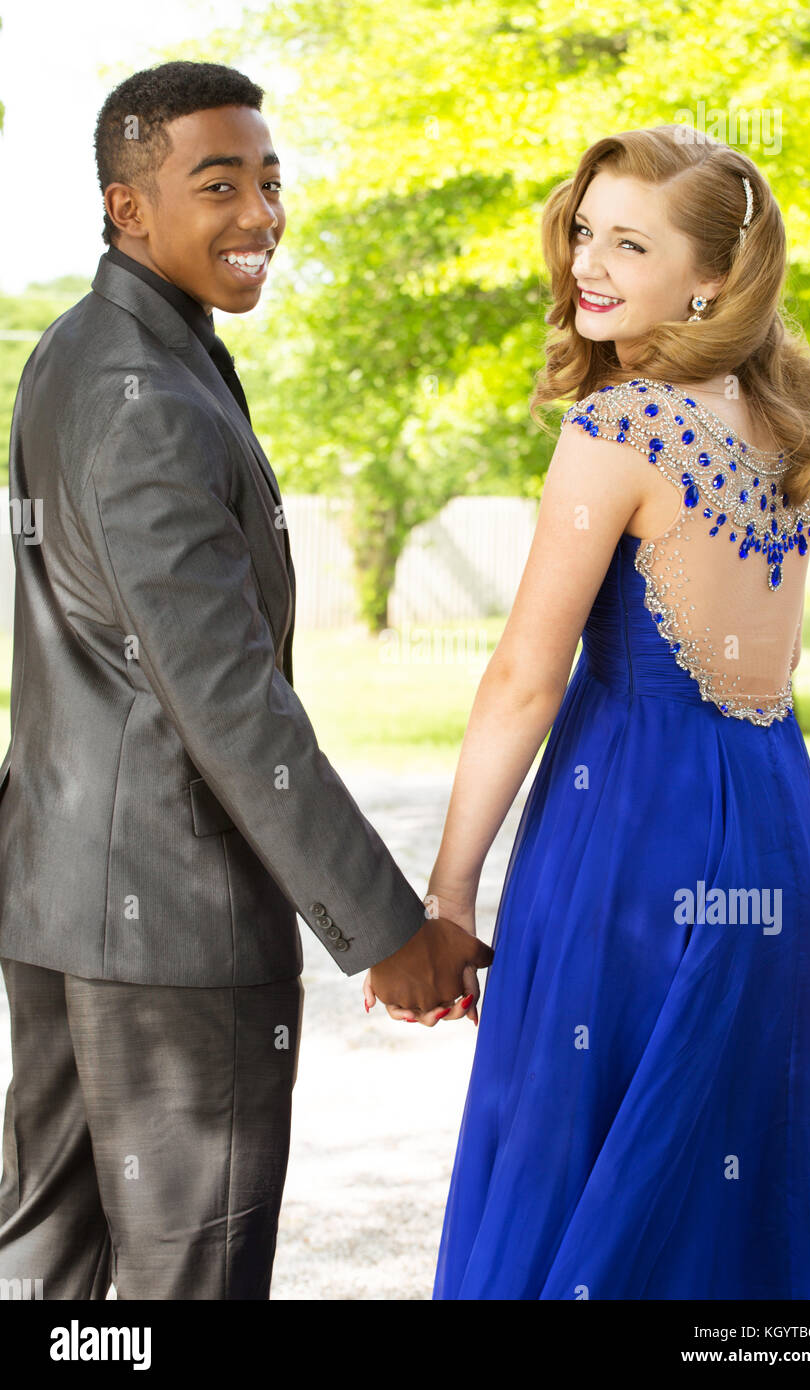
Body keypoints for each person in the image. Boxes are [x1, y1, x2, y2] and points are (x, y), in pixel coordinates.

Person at [0, 59, 492, 1301]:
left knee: (53, 1269)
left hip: (61, 903)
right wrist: (387, 930)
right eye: (217, 184)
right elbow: (223, 698)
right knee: (188, 1276)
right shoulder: (143, 394)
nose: (260, 214)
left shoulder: (83, 350)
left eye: (269, 181)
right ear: (129, 208)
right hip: (166, 922)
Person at [407, 125, 810, 1299]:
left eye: (628, 242)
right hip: (768, 808)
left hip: (630, 817)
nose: (585, 266)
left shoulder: (616, 430)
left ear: (708, 277)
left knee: (582, 1135)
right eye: (582, 232)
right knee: (729, 1142)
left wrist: (449, 896)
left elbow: (521, 675)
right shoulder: (788, 419)